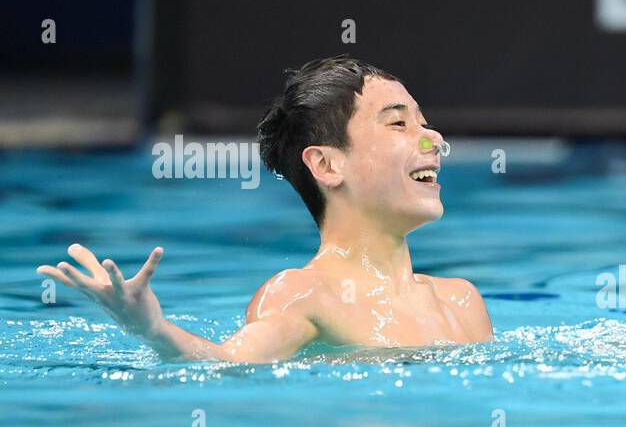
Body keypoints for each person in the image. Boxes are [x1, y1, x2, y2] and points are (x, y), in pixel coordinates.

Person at [37, 56, 492, 362]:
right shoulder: (301, 295)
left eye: (425, 123)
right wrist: (154, 330)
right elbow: (226, 366)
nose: (433, 139)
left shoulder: (462, 302)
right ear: (327, 164)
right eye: (398, 123)